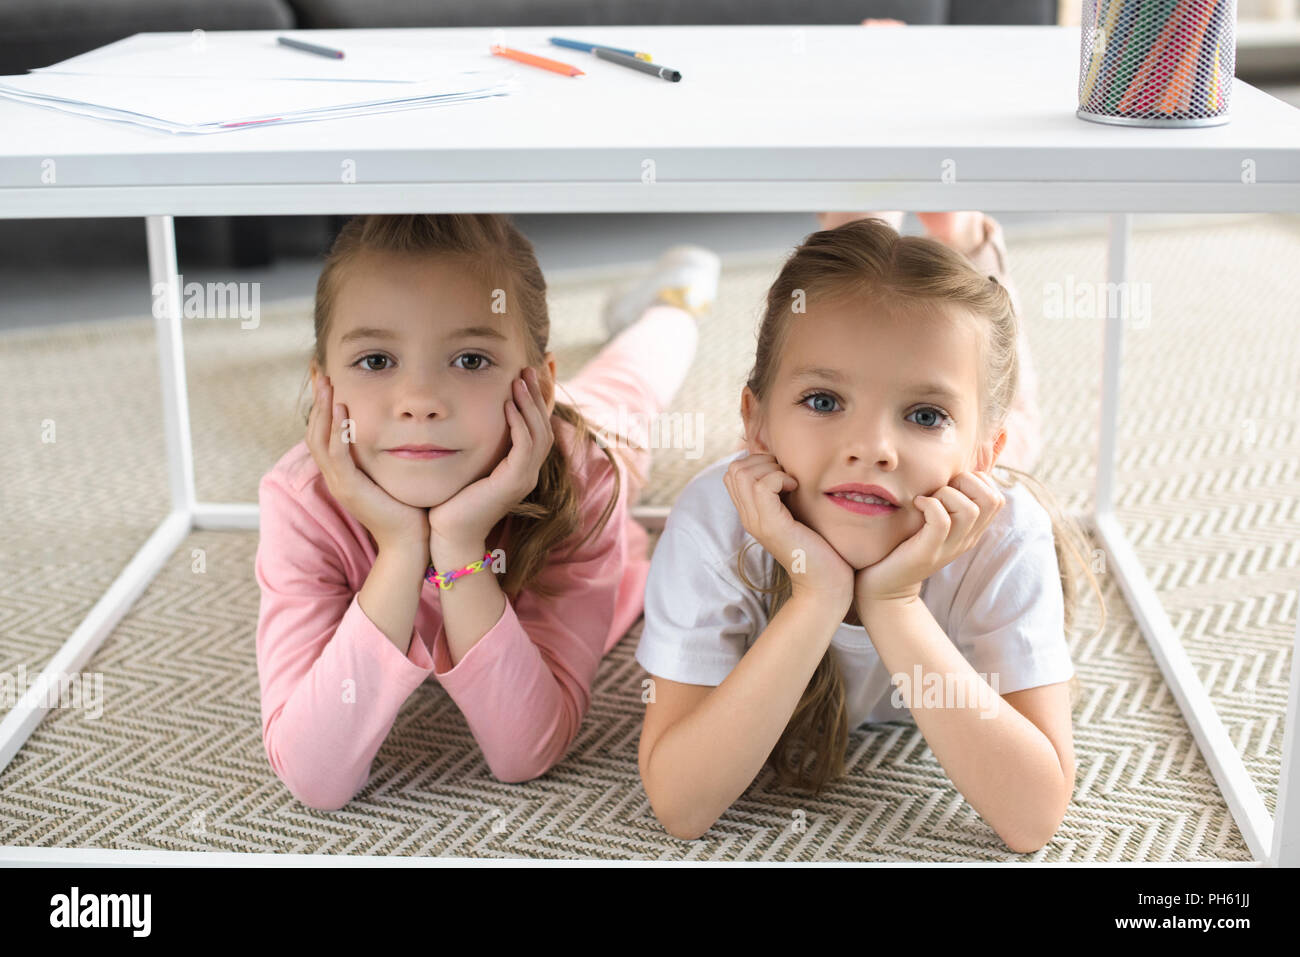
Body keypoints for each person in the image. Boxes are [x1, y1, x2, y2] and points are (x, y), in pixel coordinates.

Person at [634, 215, 1105, 852]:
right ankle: (867, 225)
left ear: (979, 457)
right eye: (824, 400)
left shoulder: (1008, 534)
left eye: (924, 413)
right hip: (913, 479)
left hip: (948, 480)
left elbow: (1032, 818)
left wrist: (893, 602)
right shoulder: (714, 523)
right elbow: (681, 805)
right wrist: (815, 597)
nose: (872, 448)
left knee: (1016, 423)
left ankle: (965, 239)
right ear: (756, 422)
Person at [255, 213, 720, 810]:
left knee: (633, 378)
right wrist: (400, 551)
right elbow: (314, 777)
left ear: (537, 387)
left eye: (470, 360)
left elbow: (527, 750)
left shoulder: (585, 479)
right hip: (466, 433)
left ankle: (672, 299)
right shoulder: (300, 502)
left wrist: (458, 547)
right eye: (376, 361)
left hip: (562, 438)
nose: (419, 401)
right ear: (323, 388)